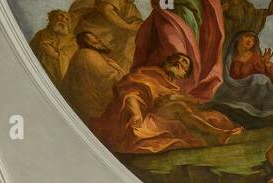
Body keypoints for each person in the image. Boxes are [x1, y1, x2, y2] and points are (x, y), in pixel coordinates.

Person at [94, 53, 243, 153]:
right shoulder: (148, 74)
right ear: (166, 62)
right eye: (177, 59)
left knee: (188, 109)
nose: (179, 61)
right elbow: (130, 92)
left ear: (184, 75)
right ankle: (219, 134)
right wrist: (136, 114)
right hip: (129, 118)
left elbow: (194, 100)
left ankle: (219, 133)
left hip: (151, 116)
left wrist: (177, 98)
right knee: (179, 108)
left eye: (184, 63)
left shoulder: (171, 87)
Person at [131, 0, 226, 102]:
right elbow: (163, 3)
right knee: (170, 47)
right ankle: (158, 86)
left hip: (188, 18)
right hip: (169, 16)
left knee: (177, 50)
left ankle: (164, 89)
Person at [61, 29, 124, 124]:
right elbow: (106, 77)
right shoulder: (87, 54)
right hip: (91, 104)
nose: (99, 41)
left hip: (84, 104)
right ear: (87, 42)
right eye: (94, 39)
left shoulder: (89, 54)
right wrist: (117, 71)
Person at [67, 0, 143, 68]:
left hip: (112, 42)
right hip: (94, 33)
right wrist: (129, 27)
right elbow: (107, 10)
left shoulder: (130, 7)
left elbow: (137, 23)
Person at [30, 9, 77, 85]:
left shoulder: (72, 40)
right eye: (61, 16)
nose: (63, 20)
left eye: (67, 19)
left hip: (57, 79)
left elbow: (70, 57)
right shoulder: (41, 34)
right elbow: (30, 50)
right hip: (36, 70)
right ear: (52, 18)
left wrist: (53, 54)